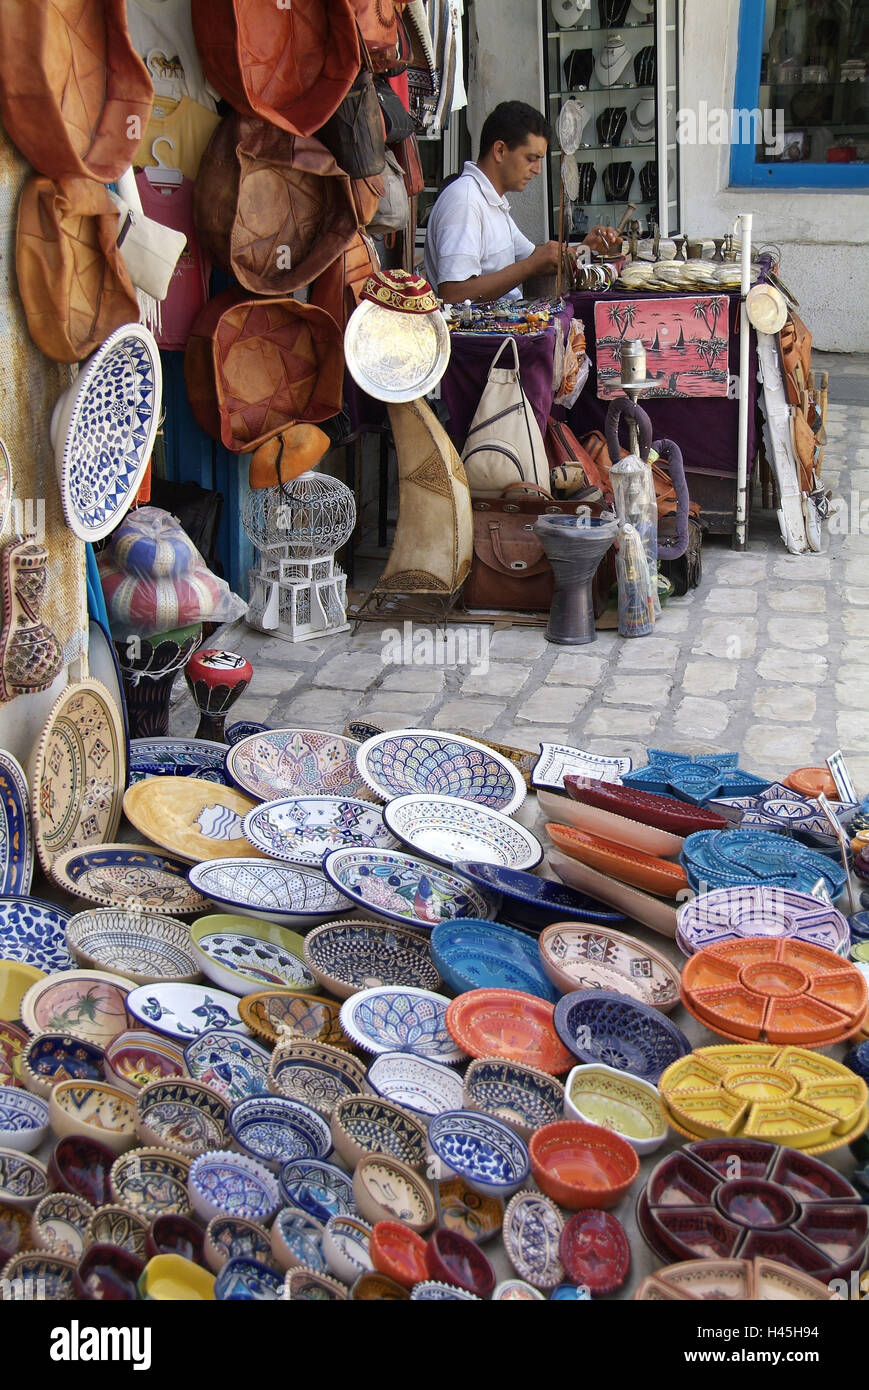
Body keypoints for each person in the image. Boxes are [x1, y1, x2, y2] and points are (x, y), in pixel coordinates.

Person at [424, 100, 620, 304]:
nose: (537, 170)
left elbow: (538, 257)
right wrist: (530, 266)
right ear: (500, 150)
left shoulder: (493, 200)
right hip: (482, 335)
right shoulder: (464, 201)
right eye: (531, 158)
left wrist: (586, 248)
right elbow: (453, 294)